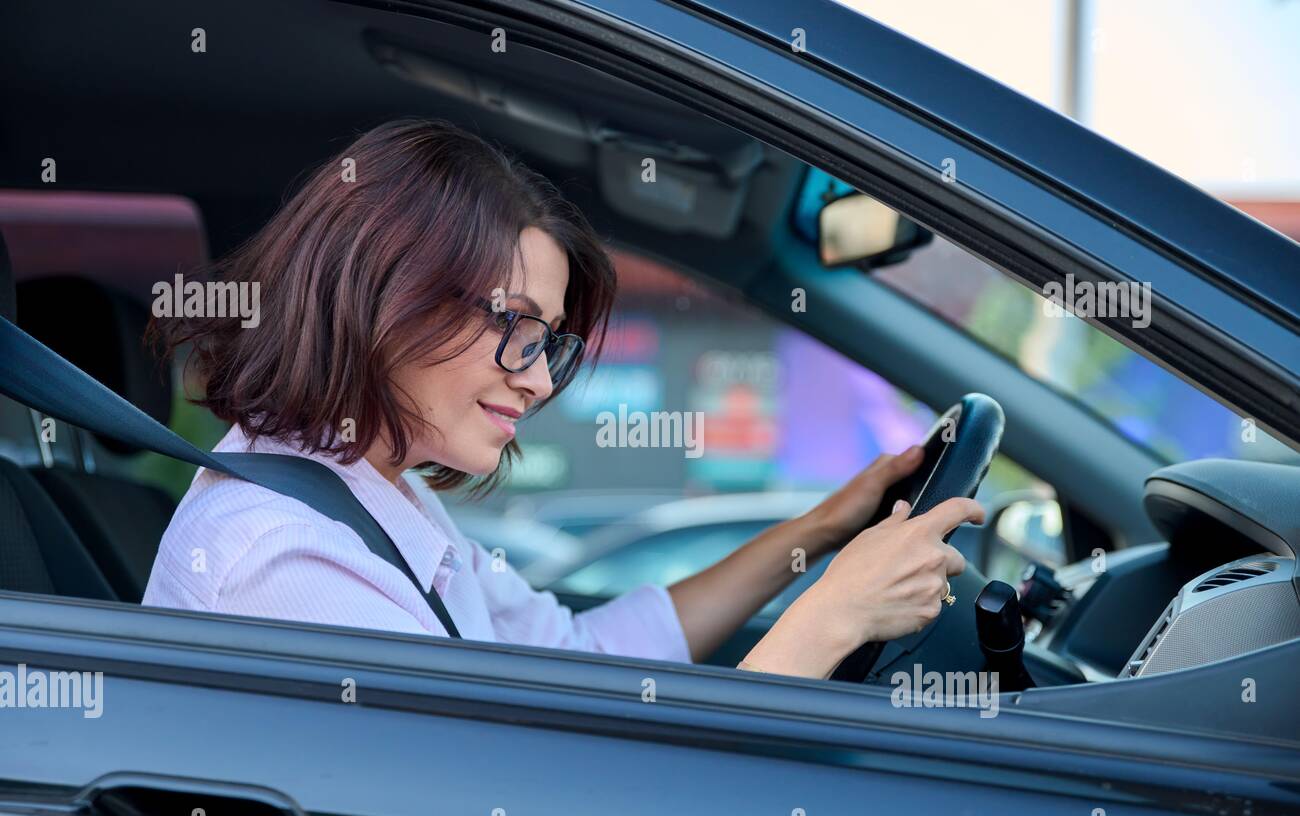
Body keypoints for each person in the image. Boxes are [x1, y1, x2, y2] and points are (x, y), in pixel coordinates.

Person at [143, 118, 983, 680]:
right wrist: (833, 616)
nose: (540, 378)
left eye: (548, 340)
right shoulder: (287, 561)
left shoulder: (376, 499)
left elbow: (590, 653)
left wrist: (819, 531)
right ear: (382, 299)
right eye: (514, 323)